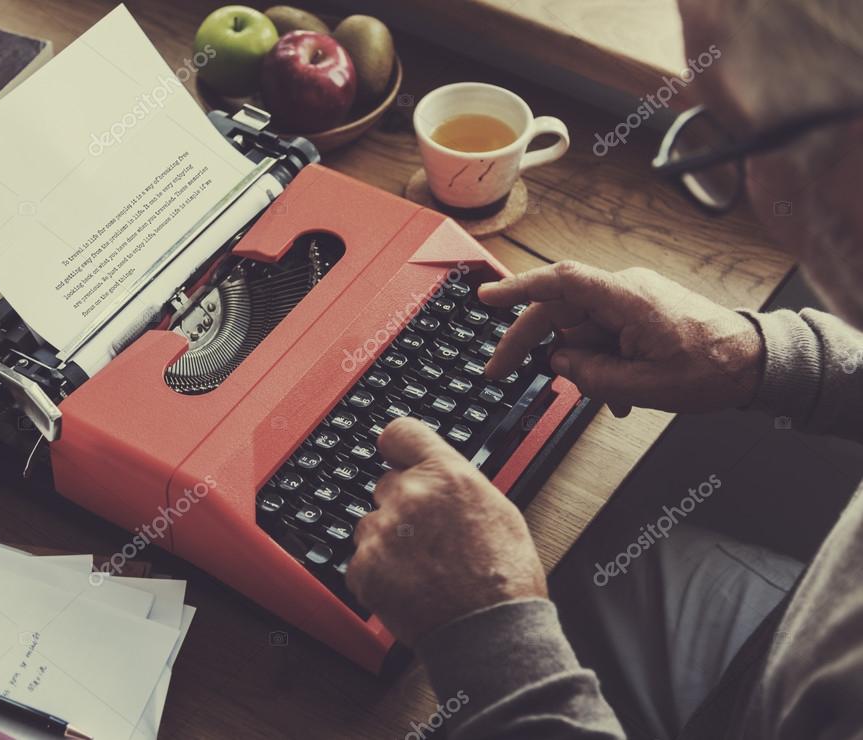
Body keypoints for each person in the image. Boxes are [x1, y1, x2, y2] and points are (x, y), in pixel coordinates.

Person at [345, 0, 863, 737]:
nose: (757, 198)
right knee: (601, 567)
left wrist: (491, 638)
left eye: (738, 137)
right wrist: (763, 355)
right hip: (785, 630)